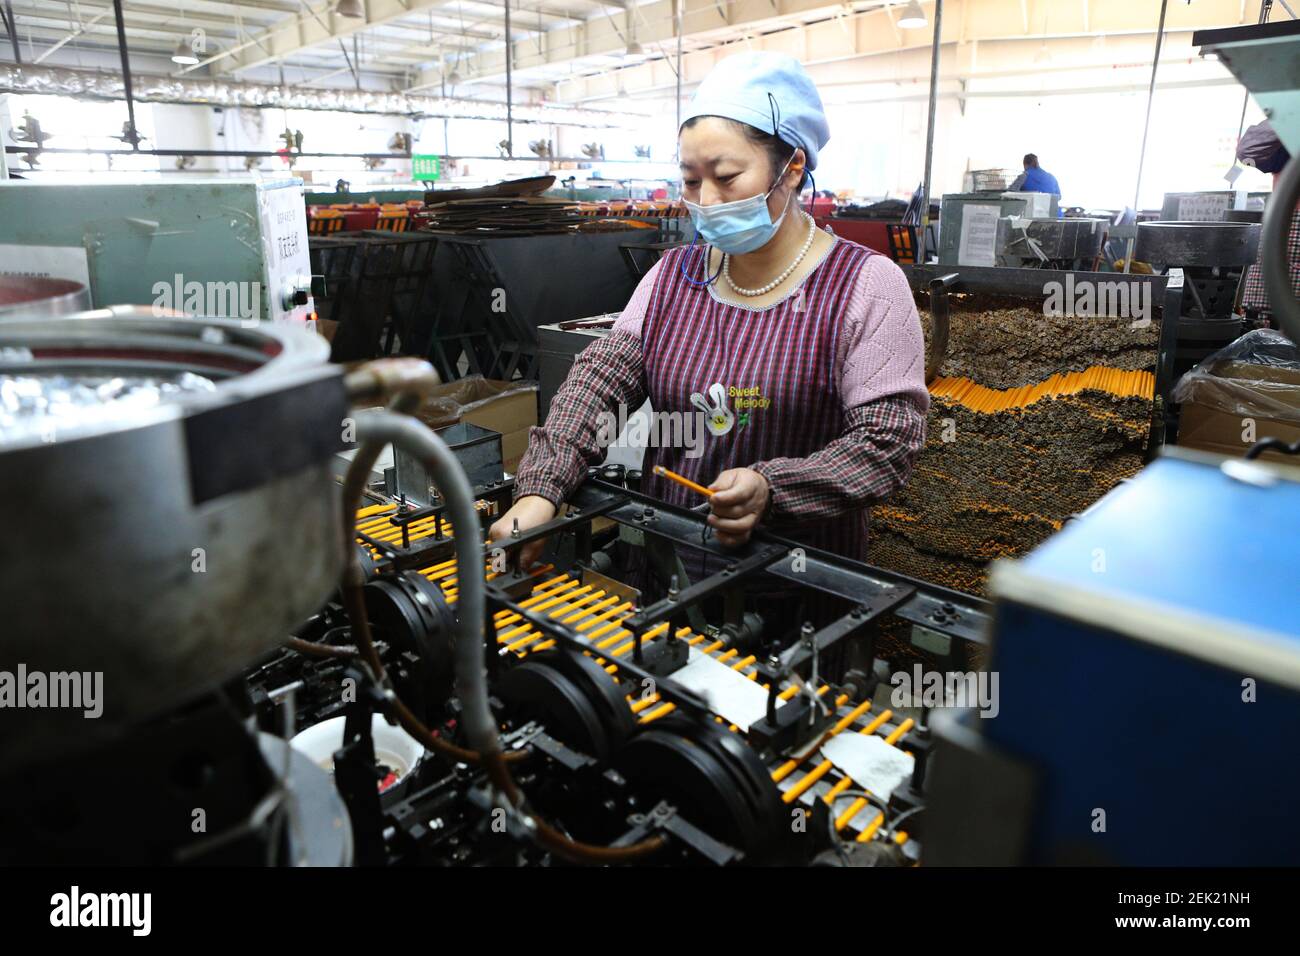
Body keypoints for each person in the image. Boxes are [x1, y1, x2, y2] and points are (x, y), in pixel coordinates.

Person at [488, 52, 928, 641]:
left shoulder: (867, 286)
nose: (707, 200)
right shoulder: (674, 276)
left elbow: (887, 441)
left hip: (801, 599)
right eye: (692, 180)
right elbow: (598, 386)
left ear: (791, 167)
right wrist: (542, 488)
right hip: (669, 581)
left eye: (727, 176)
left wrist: (774, 489)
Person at [1236, 121, 1299, 327]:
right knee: (1268, 326)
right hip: (1289, 227)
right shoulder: (1289, 137)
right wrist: (1291, 113)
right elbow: (1248, 152)